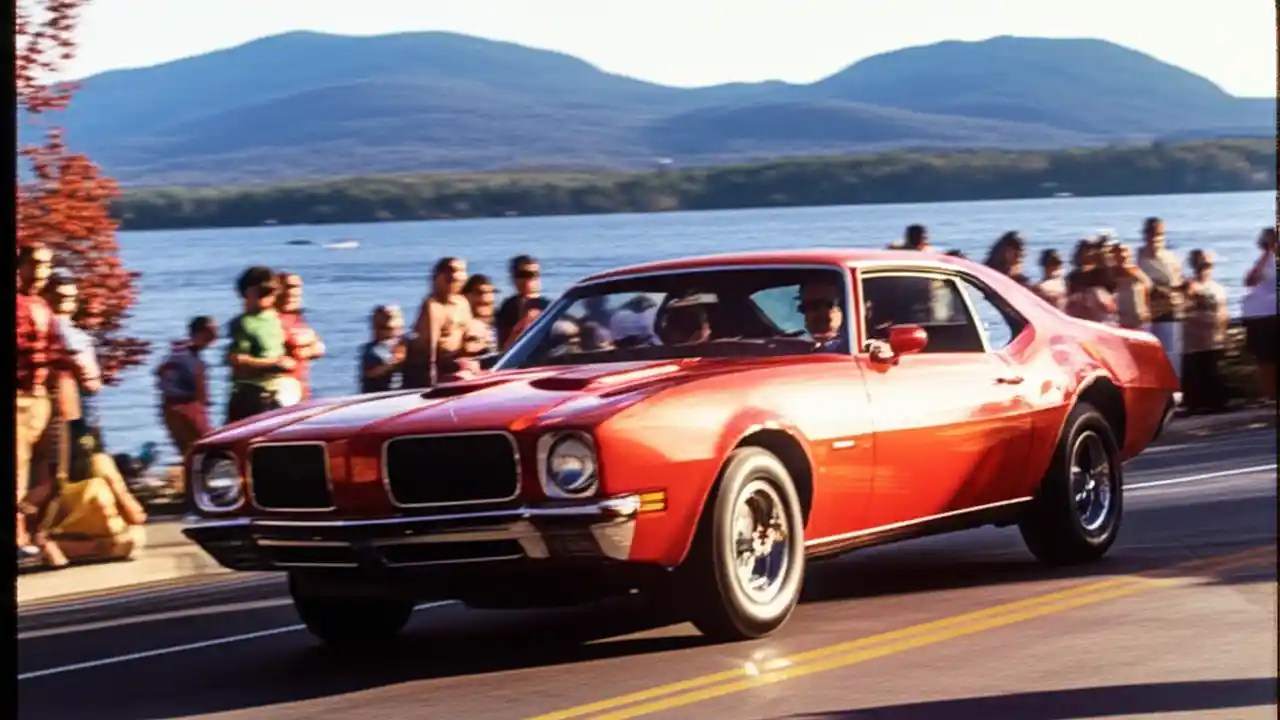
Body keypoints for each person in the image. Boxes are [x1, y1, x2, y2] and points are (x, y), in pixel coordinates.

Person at [16, 244, 72, 559]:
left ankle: (36, 531)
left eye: (46, 265)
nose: (40, 272)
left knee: (54, 474)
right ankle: (23, 536)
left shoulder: (42, 306)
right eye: (34, 264)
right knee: (17, 473)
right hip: (18, 398)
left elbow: (55, 348)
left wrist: (73, 365)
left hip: (42, 397)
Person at [30, 430, 148, 569]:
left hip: (56, 515)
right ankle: (83, 546)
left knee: (134, 536)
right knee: (100, 483)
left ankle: (67, 546)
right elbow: (136, 515)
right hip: (64, 512)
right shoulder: (97, 464)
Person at [225, 267, 294, 423]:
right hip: (251, 395)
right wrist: (272, 364)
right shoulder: (243, 323)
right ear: (246, 293)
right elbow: (238, 360)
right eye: (262, 292)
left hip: (278, 392)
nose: (267, 296)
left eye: (271, 291)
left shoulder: (276, 318)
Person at [44, 276, 103, 442]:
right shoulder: (56, 328)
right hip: (74, 407)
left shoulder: (70, 329)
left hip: (85, 407)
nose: (65, 304)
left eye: (70, 299)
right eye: (59, 298)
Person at [410, 256, 478, 385]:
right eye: (451, 272)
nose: (456, 277)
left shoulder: (462, 302)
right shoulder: (433, 306)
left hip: (458, 360)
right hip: (436, 365)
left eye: (461, 272)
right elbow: (430, 347)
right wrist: (431, 377)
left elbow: (467, 330)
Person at [157, 316, 218, 458]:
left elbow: (160, 372)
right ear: (199, 333)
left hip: (170, 406)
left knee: (189, 453)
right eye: (211, 332)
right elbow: (200, 387)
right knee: (208, 448)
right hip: (188, 407)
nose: (216, 337)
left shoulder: (176, 352)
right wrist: (203, 403)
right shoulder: (191, 358)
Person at [1137, 217, 1186, 378]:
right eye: (1150, 233)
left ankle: (1174, 394)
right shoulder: (1138, 259)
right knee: (1149, 358)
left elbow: (1180, 281)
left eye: (1158, 234)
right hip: (1146, 315)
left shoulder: (1170, 258)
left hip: (1170, 312)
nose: (1154, 238)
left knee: (1172, 355)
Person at [1181, 250, 1229, 414]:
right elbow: (1182, 309)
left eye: (1208, 265)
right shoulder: (1188, 286)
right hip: (1193, 338)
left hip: (1211, 336)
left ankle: (1216, 402)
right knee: (1194, 370)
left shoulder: (1217, 288)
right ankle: (1193, 404)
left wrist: (1223, 332)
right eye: (1201, 265)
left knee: (1213, 369)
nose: (1204, 269)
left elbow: (1223, 311)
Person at [276, 272, 326, 405]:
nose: (293, 292)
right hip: (281, 391)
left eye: (297, 287)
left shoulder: (297, 318)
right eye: (289, 287)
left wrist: (305, 349)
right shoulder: (272, 319)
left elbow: (319, 347)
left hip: (301, 388)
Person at [1241, 227, 1277, 403]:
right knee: (1265, 357)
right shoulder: (1264, 260)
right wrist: (1267, 252)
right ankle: (1270, 395)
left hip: (1271, 311)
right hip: (1260, 312)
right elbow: (1249, 281)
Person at [496, 255, 550, 350]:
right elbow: (503, 343)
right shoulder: (507, 307)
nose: (528, 280)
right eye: (523, 275)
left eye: (534, 275)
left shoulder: (548, 306)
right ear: (513, 278)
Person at [360, 305, 408, 393]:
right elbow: (370, 373)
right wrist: (393, 363)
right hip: (380, 395)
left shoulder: (405, 343)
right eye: (385, 329)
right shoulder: (372, 351)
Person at [1110, 243, 1152, 330]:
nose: (1121, 255)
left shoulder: (1133, 269)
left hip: (1137, 314)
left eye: (1124, 251)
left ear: (1129, 254)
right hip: (1122, 316)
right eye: (1117, 252)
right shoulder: (1111, 272)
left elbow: (1148, 284)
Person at [799, 277, 848, 353]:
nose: (810, 313)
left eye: (817, 306)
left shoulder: (849, 347)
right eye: (805, 307)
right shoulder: (794, 348)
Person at [461, 273, 499, 357]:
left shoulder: (501, 319)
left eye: (491, 292)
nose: (486, 297)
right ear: (465, 295)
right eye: (480, 292)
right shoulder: (463, 323)